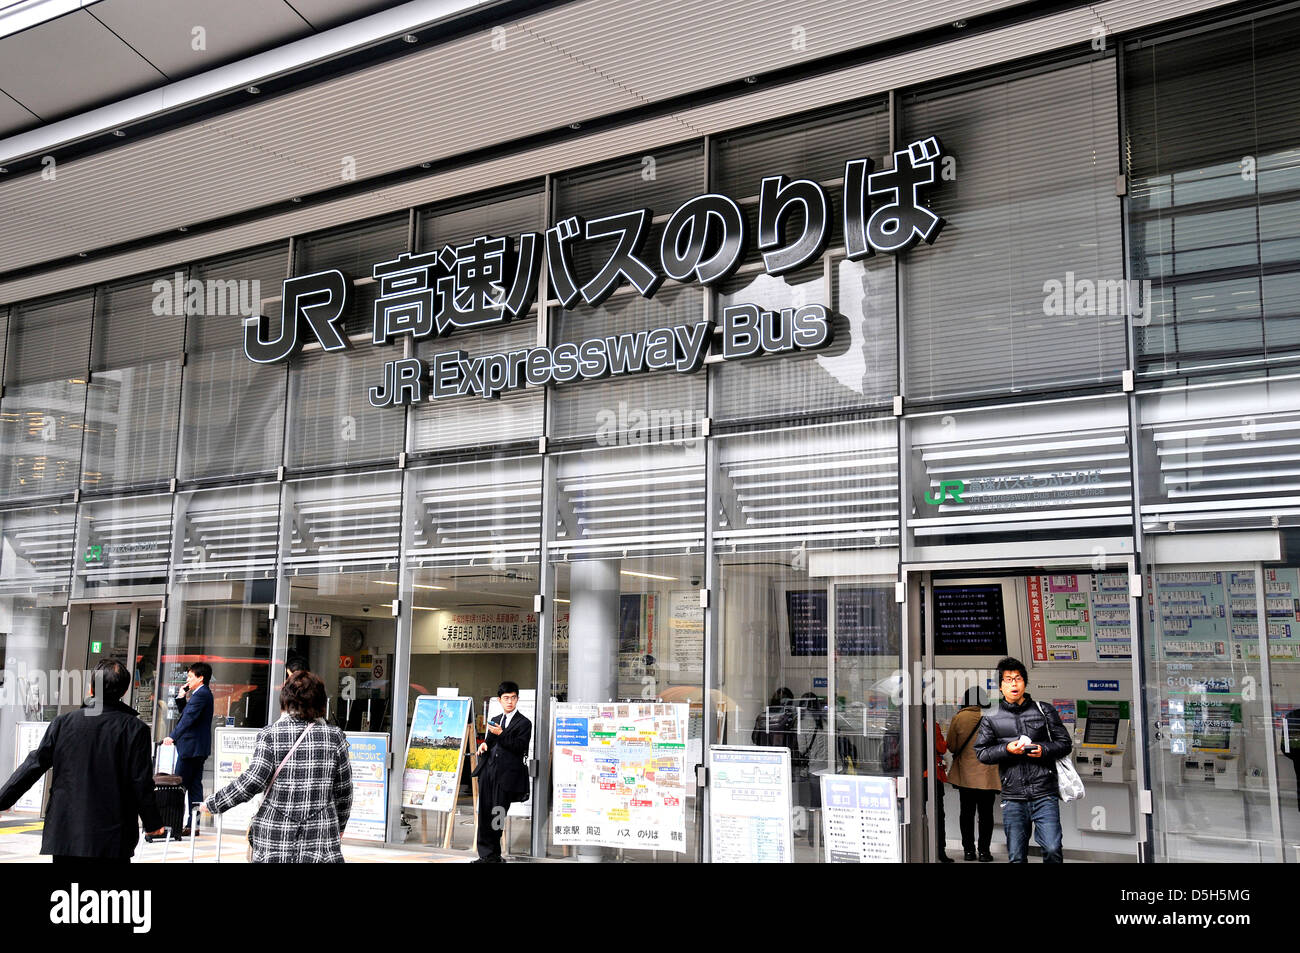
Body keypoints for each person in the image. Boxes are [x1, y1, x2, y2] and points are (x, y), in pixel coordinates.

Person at [0, 660, 165, 862]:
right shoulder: (135, 728)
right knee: (111, 895)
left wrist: (3, 799)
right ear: (124, 691)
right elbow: (140, 782)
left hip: (66, 831)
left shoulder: (63, 723)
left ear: (91, 688)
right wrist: (152, 823)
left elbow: (35, 764)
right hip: (113, 834)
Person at [206, 670, 353, 862]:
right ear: (320, 702)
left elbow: (253, 781)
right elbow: (344, 791)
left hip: (275, 836)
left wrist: (214, 803)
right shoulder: (334, 737)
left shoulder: (271, 734)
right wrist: (338, 827)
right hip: (320, 836)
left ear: (285, 700)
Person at [975, 657, 1072, 863]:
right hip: (1013, 796)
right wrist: (1007, 749)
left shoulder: (1044, 710)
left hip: (1044, 792)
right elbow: (982, 753)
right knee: (1017, 856)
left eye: (1017, 679)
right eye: (1008, 679)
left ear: (1025, 683)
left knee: (1053, 848)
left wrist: (1043, 749)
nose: (1013, 684)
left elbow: (1064, 743)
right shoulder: (991, 717)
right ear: (1000, 686)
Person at [472, 681, 531, 863]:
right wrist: (483, 745)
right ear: (499, 700)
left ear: (517, 699)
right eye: (506, 698)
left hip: (506, 777)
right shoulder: (496, 719)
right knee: (484, 814)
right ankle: (485, 855)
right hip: (488, 774)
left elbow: (519, 747)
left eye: (513, 698)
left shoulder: (524, 723)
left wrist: (501, 734)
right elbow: (490, 741)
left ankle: (494, 854)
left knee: (498, 814)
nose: (510, 701)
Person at [946, 686, 1000, 862]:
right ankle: (984, 852)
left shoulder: (959, 718)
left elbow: (952, 746)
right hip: (987, 775)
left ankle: (968, 851)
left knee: (966, 814)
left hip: (966, 776)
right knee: (986, 815)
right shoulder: (992, 716)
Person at [163, 661, 214, 833]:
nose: (188, 681)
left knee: (178, 786)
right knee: (194, 787)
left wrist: (172, 736)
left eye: (191, 677)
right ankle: (193, 825)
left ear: (201, 678)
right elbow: (187, 713)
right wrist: (180, 697)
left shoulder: (201, 695)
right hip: (196, 748)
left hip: (191, 748)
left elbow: (188, 719)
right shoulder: (202, 694)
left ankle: (173, 823)